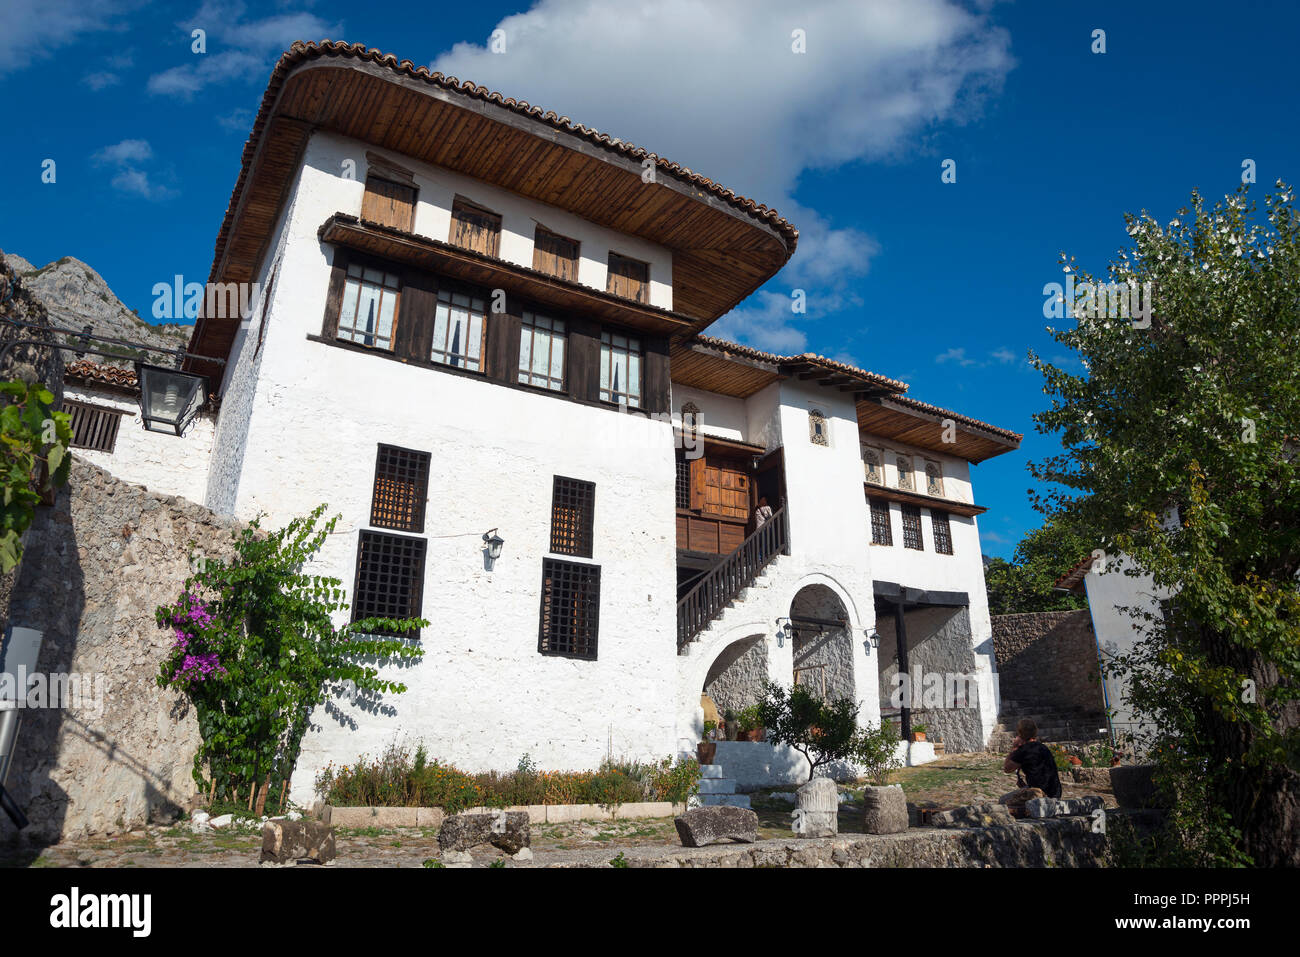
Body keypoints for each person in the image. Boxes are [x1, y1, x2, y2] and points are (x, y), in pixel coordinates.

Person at [1002, 718, 1062, 799]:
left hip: (1040, 794)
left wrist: (1014, 748)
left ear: (1020, 733)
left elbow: (1007, 769)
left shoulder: (1023, 750)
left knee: (1003, 800)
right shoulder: (1043, 747)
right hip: (1055, 792)